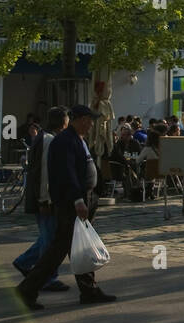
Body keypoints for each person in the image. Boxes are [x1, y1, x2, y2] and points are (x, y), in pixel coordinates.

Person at [15, 104, 116, 309]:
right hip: (71, 203)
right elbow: (66, 174)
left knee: (79, 248)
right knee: (58, 251)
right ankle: (27, 290)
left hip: (80, 200)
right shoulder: (64, 141)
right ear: (77, 119)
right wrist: (78, 200)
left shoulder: (76, 138)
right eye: (88, 120)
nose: (90, 124)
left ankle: (89, 290)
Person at [12, 106, 70, 293]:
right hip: (45, 199)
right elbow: (44, 172)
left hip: (42, 197)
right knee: (50, 240)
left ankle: (24, 262)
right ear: (63, 121)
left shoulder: (44, 137)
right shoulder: (49, 140)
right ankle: (47, 278)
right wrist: (44, 200)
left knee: (47, 236)